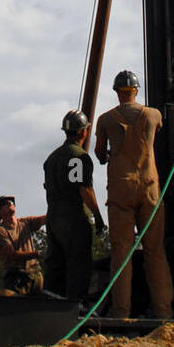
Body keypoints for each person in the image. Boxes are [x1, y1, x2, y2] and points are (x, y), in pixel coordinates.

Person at [95, 69, 173, 320]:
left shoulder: (105, 120)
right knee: (155, 251)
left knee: (122, 253)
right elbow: (159, 131)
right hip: (150, 188)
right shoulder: (153, 114)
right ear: (136, 91)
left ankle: (121, 313)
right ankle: (164, 313)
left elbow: (99, 154)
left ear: (117, 93)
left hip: (120, 190)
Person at [43, 110, 105, 302]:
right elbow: (84, 189)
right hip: (73, 218)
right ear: (83, 132)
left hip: (53, 218)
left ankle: (51, 306)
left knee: (55, 266)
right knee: (78, 266)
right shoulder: (79, 157)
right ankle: (75, 309)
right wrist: (98, 216)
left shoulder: (51, 158)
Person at [0, 196, 46, 294]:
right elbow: (12, 255)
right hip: (15, 278)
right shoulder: (0, 231)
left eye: (11, 202)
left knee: (40, 307)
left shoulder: (26, 223)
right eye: (5, 203)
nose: (10, 203)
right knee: (18, 307)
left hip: (34, 275)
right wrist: (39, 253)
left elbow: (48, 218)